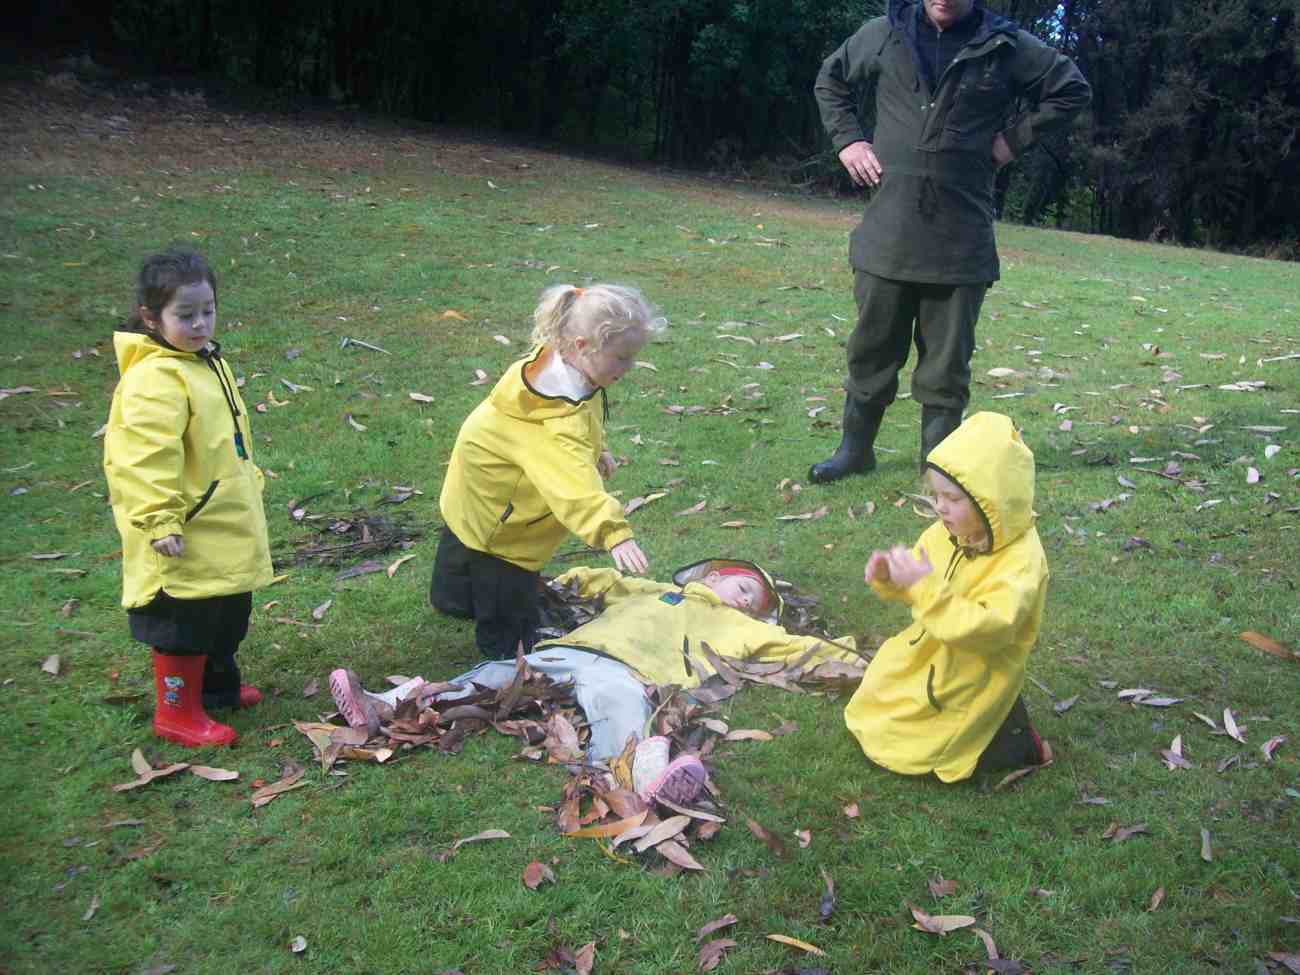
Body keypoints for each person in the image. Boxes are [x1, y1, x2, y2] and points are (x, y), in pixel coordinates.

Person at [810, 0, 1090, 482]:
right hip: (888, 233)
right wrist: (848, 140)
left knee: (945, 368)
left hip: (960, 238)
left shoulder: (1004, 45)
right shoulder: (884, 33)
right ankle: (855, 452)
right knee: (871, 352)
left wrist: (1013, 139)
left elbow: (1071, 89)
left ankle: (937, 471)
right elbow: (830, 79)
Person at [335, 558, 860, 800]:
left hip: (632, 673)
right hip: (570, 650)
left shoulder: (740, 630)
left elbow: (800, 650)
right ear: (714, 577)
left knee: (620, 710)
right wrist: (571, 579)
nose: (748, 603)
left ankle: (635, 777)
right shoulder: (653, 590)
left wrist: (859, 663)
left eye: (756, 604)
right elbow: (607, 581)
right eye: (744, 590)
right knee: (494, 676)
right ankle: (387, 705)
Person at [431, 283, 664, 660]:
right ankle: (505, 654)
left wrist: (595, 450)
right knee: (506, 587)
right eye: (622, 358)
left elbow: (578, 426)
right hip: (504, 524)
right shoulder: (553, 420)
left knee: (463, 542)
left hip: (476, 493)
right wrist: (614, 534)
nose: (629, 367)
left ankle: (452, 599)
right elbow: (574, 488)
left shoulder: (553, 370)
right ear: (584, 345)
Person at [103, 250, 273, 748]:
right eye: (185, 315)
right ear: (150, 318)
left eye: (208, 310)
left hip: (219, 517)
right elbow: (142, 457)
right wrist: (160, 520)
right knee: (183, 620)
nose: (200, 324)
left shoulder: (202, 362)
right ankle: (175, 710)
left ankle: (217, 688)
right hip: (182, 528)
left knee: (225, 609)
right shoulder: (154, 380)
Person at [845, 412, 1049, 782]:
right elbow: (918, 583)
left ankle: (1017, 743)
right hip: (930, 648)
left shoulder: (1020, 563)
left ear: (992, 501)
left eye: (952, 498)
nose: (940, 507)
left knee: (954, 734)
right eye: (935, 495)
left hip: (978, 667)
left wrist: (922, 587)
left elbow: (988, 629)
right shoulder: (945, 533)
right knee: (883, 687)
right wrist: (890, 578)